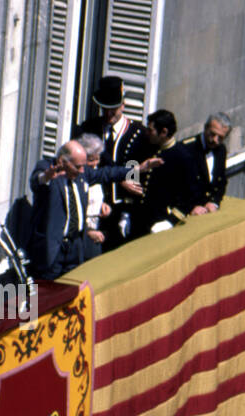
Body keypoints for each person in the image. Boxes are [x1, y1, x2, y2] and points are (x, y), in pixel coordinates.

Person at [72, 76, 149, 248]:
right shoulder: (89, 128)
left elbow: (137, 165)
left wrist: (127, 180)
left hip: (122, 208)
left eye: (113, 110)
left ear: (123, 105)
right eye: (104, 109)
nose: (108, 115)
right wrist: (120, 179)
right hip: (94, 206)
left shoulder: (137, 133)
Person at [26, 140, 92, 280]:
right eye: (78, 166)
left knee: (71, 290)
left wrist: (137, 170)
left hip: (75, 247)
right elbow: (36, 182)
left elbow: (108, 173)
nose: (82, 171)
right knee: (47, 293)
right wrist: (46, 177)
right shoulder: (46, 167)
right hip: (53, 249)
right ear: (63, 161)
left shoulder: (80, 175)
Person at [138, 110, 203, 229]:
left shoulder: (183, 157)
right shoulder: (147, 147)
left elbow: (191, 195)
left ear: (164, 132)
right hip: (140, 217)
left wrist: (171, 221)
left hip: (161, 220)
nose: (147, 133)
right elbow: (130, 164)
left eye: (151, 130)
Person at [192, 113, 231, 212]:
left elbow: (221, 181)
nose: (215, 140)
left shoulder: (221, 150)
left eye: (220, 138)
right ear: (205, 128)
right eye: (212, 134)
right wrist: (190, 207)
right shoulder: (188, 149)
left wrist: (214, 202)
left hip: (208, 209)